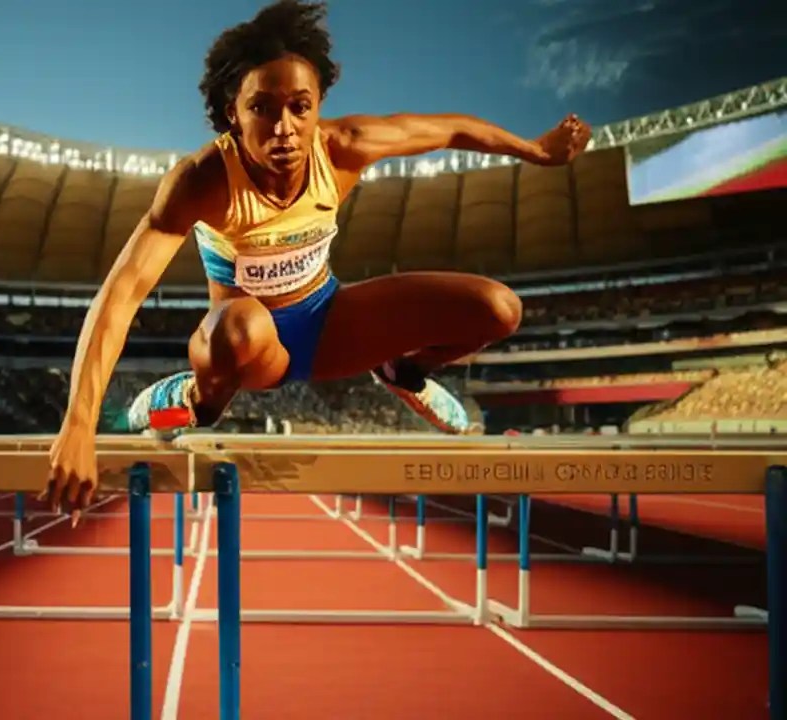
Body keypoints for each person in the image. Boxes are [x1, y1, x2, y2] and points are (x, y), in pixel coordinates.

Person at [44, 0, 590, 520]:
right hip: (248, 349)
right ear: (233, 113)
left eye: (299, 107)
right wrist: (78, 425)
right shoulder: (201, 181)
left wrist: (535, 150)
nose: (284, 128)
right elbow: (120, 296)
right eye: (262, 108)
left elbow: (449, 129)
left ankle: (406, 371)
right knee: (239, 327)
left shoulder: (343, 147)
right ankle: (196, 400)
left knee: (499, 309)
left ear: (317, 107)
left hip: (328, 323)